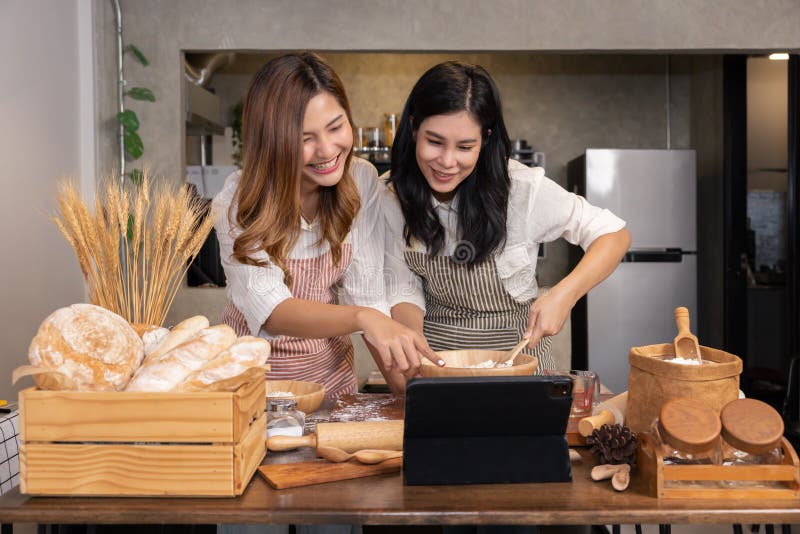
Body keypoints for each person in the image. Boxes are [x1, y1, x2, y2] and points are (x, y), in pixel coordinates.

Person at [383, 61, 631, 386]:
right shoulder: (391, 195)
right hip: (438, 366)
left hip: (522, 365)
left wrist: (564, 295)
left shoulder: (522, 189)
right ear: (413, 127)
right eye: (434, 142)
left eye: (465, 147)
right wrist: (411, 345)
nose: (447, 161)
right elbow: (402, 287)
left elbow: (613, 234)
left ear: (485, 139)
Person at [213, 52, 443, 404]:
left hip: (332, 390)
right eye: (305, 138)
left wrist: (411, 391)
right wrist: (363, 318)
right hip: (252, 396)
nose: (326, 150)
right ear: (272, 142)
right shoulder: (237, 203)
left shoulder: (360, 180)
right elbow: (273, 312)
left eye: (336, 127)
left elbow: (366, 292)